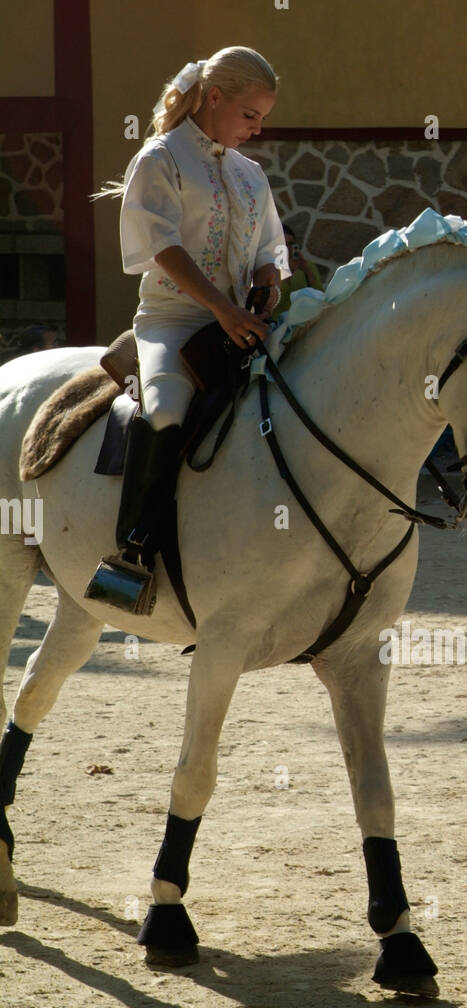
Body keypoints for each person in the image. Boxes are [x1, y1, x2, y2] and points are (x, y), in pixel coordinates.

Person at [86, 46, 287, 612]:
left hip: (244, 322)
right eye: (250, 115)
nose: (257, 128)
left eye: (263, 117)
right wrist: (224, 311)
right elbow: (162, 247)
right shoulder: (160, 159)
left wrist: (269, 276)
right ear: (215, 98)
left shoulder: (251, 174)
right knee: (168, 410)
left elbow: (271, 244)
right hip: (173, 322)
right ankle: (132, 555)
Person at [275, 223, 323, 316]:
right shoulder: (272, 269)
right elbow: (276, 305)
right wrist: (287, 275)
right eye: (284, 244)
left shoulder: (308, 265)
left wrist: (308, 272)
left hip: (306, 319)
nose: (288, 248)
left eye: (291, 244)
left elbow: (320, 294)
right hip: (281, 323)